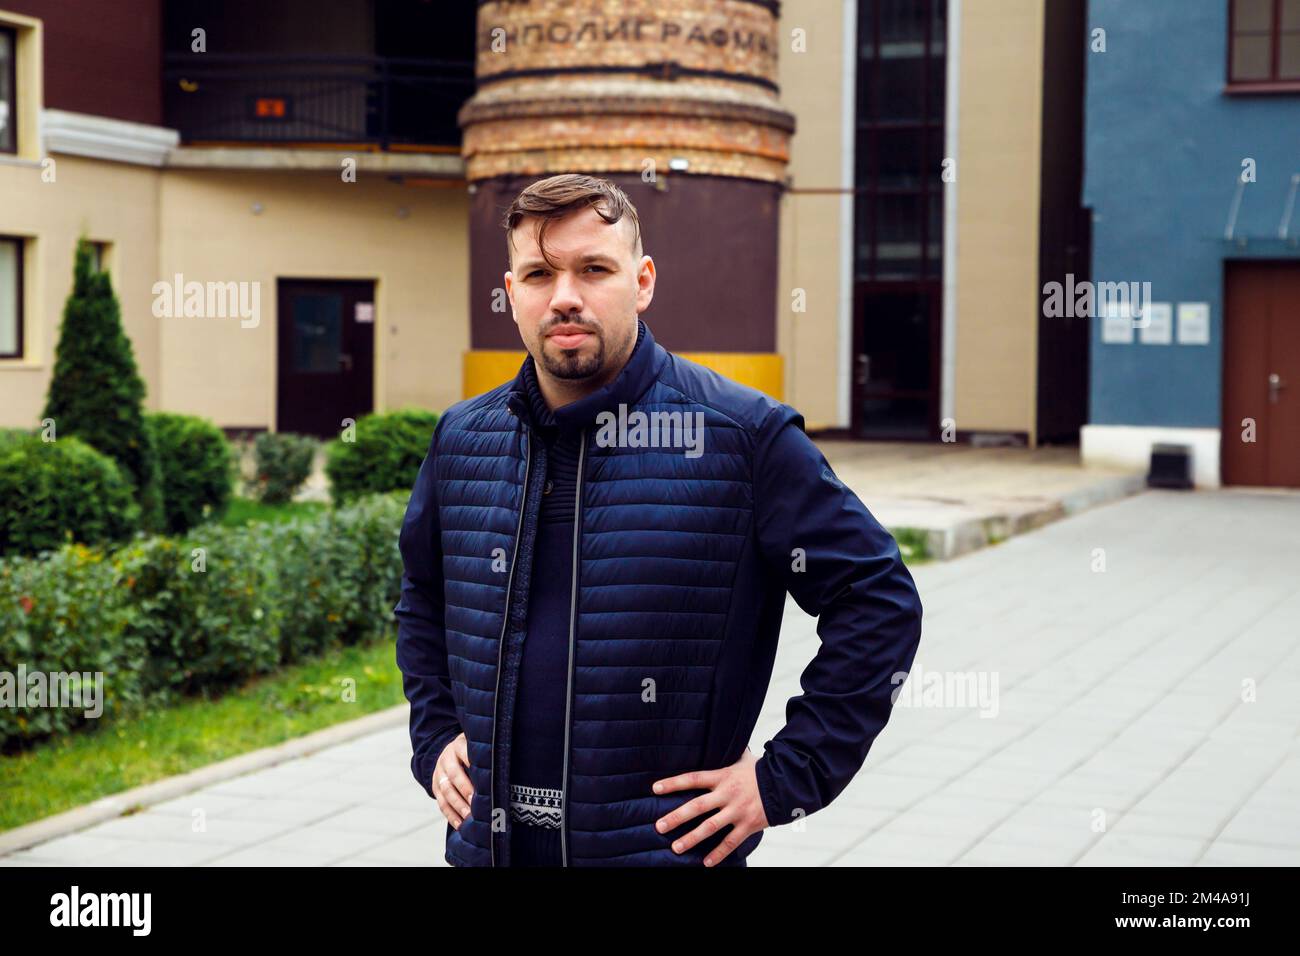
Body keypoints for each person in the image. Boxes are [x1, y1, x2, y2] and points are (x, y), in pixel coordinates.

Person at [395, 173, 923, 867]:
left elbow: (878, 600)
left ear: (642, 281)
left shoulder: (741, 436)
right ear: (511, 291)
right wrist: (435, 739)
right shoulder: (463, 438)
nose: (565, 297)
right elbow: (422, 599)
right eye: (539, 273)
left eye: (594, 269)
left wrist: (783, 778)